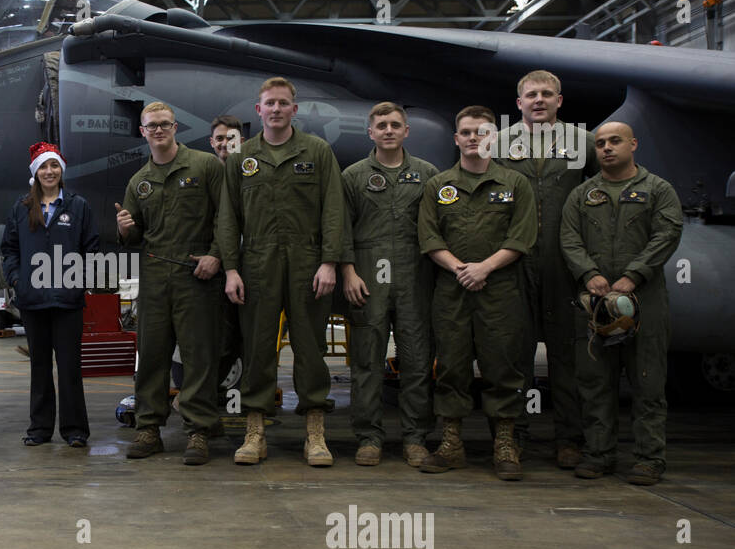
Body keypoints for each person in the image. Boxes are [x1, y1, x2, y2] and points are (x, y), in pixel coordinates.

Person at [219, 77, 344, 467]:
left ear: (294, 109)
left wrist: (329, 261)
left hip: (308, 263)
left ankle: (315, 433)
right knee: (258, 348)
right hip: (257, 262)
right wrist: (231, 269)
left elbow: (334, 210)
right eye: (269, 103)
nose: (275, 109)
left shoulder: (318, 151)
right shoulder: (242, 158)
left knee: (311, 348)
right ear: (259, 111)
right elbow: (228, 217)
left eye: (283, 103)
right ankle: (255, 432)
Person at [417, 106, 536, 479]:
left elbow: (522, 235)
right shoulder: (438, 186)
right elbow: (429, 235)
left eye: (481, 132)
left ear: (493, 137)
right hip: (452, 289)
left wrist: (484, 268)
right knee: (451, 365)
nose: (473, 138)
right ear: (456, 139)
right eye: (466, 132)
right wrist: (459, 268)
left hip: (499, 289)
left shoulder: (515, 184)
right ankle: (451, 444)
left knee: (502, 365)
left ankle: (505, 444)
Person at [560, 122, 683, 485]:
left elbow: (668, 233)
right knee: (595, 381)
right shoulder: (582, 195)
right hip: (594, 302)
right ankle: (599, 454)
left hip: (645, 300)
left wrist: (634, 275)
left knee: (647, 382)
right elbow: (569, 239)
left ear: (633, 144)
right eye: (600, 143)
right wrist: (588, 274)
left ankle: (648, 458)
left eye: (615, 141)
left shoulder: (658, 190)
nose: (607, 148)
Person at [495, 70, 596, 468]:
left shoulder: (583, 143)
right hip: (514, 260)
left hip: (565, 261)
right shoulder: (499, 144)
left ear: (559, 100)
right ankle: (514, 435)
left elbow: (599, 193)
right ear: (518, 103)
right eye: (531, 95)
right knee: (513, 351)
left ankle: (569, 438)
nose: (539, 100)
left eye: (546, 94)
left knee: (567, 353)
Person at [116, 102, 224, 466]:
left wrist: (217, 255)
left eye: (164, 124)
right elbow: (134, 237)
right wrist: (124, 229)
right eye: (151, 126)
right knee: (152, 356)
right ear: (143, 132)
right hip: (155, 278)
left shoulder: (205, 166)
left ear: (176, 127)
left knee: (198, 357)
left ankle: (197, 431)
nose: (158, 130)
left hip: (197, 275)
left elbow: (228, 216)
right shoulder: (139, 182)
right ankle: (148, 428)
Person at [340, 102, 439, 467]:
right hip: (368, 277)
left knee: (416, 361)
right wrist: (348, 272)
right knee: (366, 362)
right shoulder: (353, 176)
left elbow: (436, 230)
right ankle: (369, 437)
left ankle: (415, 438)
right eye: (381, 125)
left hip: (416, 277)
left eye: (395, 124)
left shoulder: (428, 174)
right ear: (370, 132)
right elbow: (340, 229)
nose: (388, 130)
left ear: (406, 131)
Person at [1, 142, 100, 447]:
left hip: (68, 301)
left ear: (61, 171)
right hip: (33, 301)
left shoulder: (78, 206)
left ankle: (75, 431)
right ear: (35, 172)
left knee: (70, 367)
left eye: (54, 166)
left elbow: (91, 248)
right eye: (43, 167)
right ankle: (40, 429)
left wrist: (80, 281)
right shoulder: (22, 207)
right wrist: (18, 280)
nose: (49, 172)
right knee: (40, 366)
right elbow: (9, 250)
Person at [208, 114, 245, 400]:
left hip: (247, 266)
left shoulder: (250, 174)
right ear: (211, 142)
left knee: (238, 339)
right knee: (218, 339)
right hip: (214, 270)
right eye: (219, 138)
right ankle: (198, 397)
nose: (224, 144)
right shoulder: (206, 175)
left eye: (230, 138)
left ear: (241, 142)